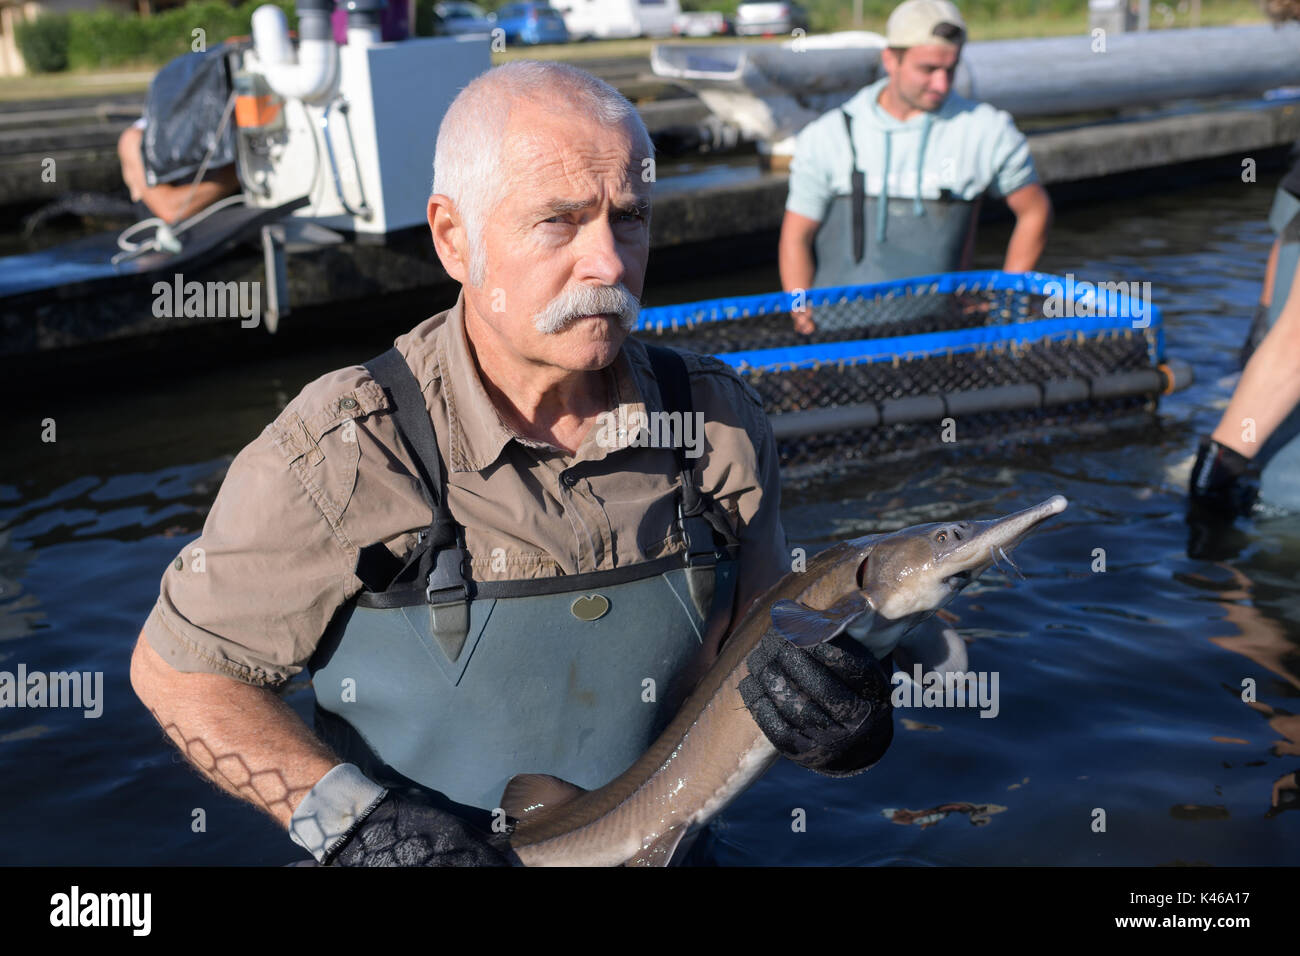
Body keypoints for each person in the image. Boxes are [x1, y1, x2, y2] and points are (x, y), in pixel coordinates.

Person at [129, 61, 896, 867]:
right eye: (560, 222)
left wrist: (843, 711)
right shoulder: (342, 450)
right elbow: (181, 675)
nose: (608, 263)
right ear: (453, 237)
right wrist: (354, 825)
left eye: (628, 219)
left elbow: (764, 648)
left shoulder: (718, 422)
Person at [778, 0, 1052, 334]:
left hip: (942, 336)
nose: (941, 84)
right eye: (928, 69)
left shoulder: (987, 131)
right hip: (837, 338)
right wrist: (800, 317)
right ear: (890, 60)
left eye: (951, 70)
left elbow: (1034, 212)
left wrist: (1009, 298)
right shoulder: (827, 135)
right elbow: (795, 237)